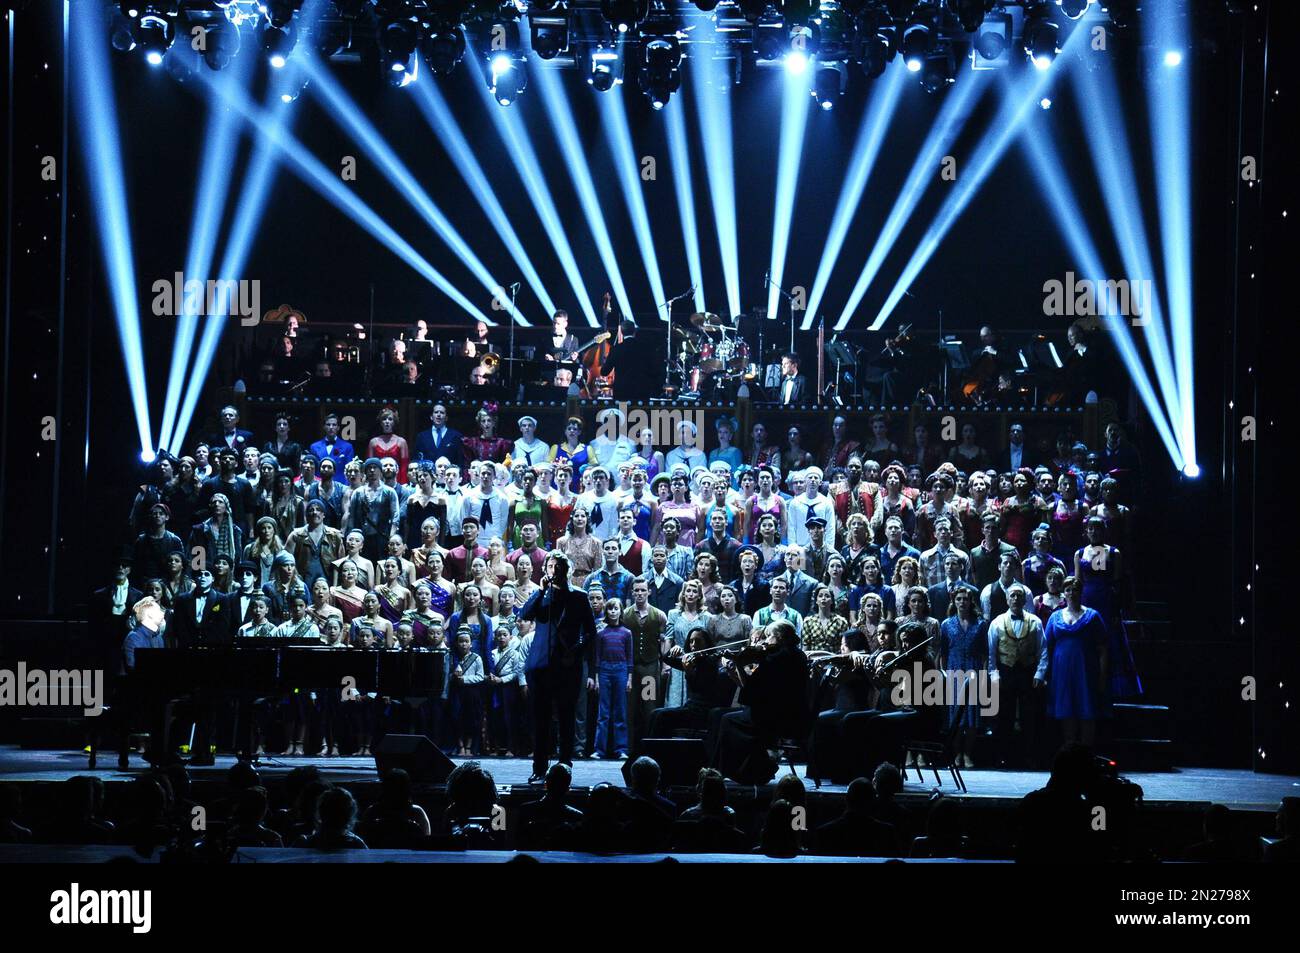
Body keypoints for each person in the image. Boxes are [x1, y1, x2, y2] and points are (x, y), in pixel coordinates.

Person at [519, 552, 598, 784]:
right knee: (541, 718)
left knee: (566, 717)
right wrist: (542, 590)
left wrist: (576, 650)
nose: (554, 571)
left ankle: (564, 766)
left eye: (558, 567)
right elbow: (525, 614)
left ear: (567, 570)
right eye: (550, 566)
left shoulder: (580, 597)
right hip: (542, 664)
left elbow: (591, 632)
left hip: (568, 665)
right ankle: (539, 768)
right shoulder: (542, 595)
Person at [713, 620, 809, 783]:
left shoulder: (776, 658)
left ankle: (730, 770)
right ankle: (748, 766)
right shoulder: (798, 655)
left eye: (769, 636)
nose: (765, 641)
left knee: (725, 719)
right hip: (791, 714)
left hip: (776, 719)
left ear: (779, 637)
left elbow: (750, 692)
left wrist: (738, 662)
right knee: (725, 716)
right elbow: (754, 689)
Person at [1043, 574, 1109, 747]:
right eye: (1068, 590)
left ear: (1081, 592)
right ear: (1063, 593)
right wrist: (1045, 675)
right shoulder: (1055, 617)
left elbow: (1103, 649)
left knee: (1087, 711)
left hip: (1085, 671)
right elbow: (1047, 648)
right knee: (1066, 711)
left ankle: (1086, 754)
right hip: (1061, 673)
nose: (1071, 593)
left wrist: (1102, 677)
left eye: (1075, 589)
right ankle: (1070, 752)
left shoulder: (1093, 616)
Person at [987, 585, 1048, 767]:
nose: (1015, 599)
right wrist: (994, 675)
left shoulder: (1035, 621)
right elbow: (991, 653)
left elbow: (1043, 649)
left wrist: (1040, 672)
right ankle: (1002, 756)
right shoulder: (997, 622)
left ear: (1024, 599)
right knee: (1004, 717)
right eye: (1012, 595)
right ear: (1007, 599)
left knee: (1029, 717)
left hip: (1027, 672)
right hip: (1006, 672)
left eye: (1018, 595)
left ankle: (1028, 756)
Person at [939, 587, 988, 768]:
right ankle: (956, 753)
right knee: (956, 717)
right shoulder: (946, 624)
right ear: (954, 601)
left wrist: (983, 675)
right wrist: (944, 674)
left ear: (970, 601)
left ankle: (968, 753)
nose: (962, 602)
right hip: (954, 671)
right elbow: (942, 653)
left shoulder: (980, 624)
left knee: (972, 717)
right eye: (958, 599)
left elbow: (985, 652)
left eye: (965, 599)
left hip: (974, 671)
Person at [593, 598, 632, 760]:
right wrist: (596, 678)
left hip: (621, 670)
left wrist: (629, 678)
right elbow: (597, 657)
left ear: (621, 611)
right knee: (603, 713)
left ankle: (621, 749)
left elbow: (630, 658)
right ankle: (599, 750)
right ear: (606, 612)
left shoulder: (627, 633)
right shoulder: (601, 633)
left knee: (620, 712)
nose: (613, 612)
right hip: (605, 671)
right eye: (610, 609)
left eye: (616, 609)